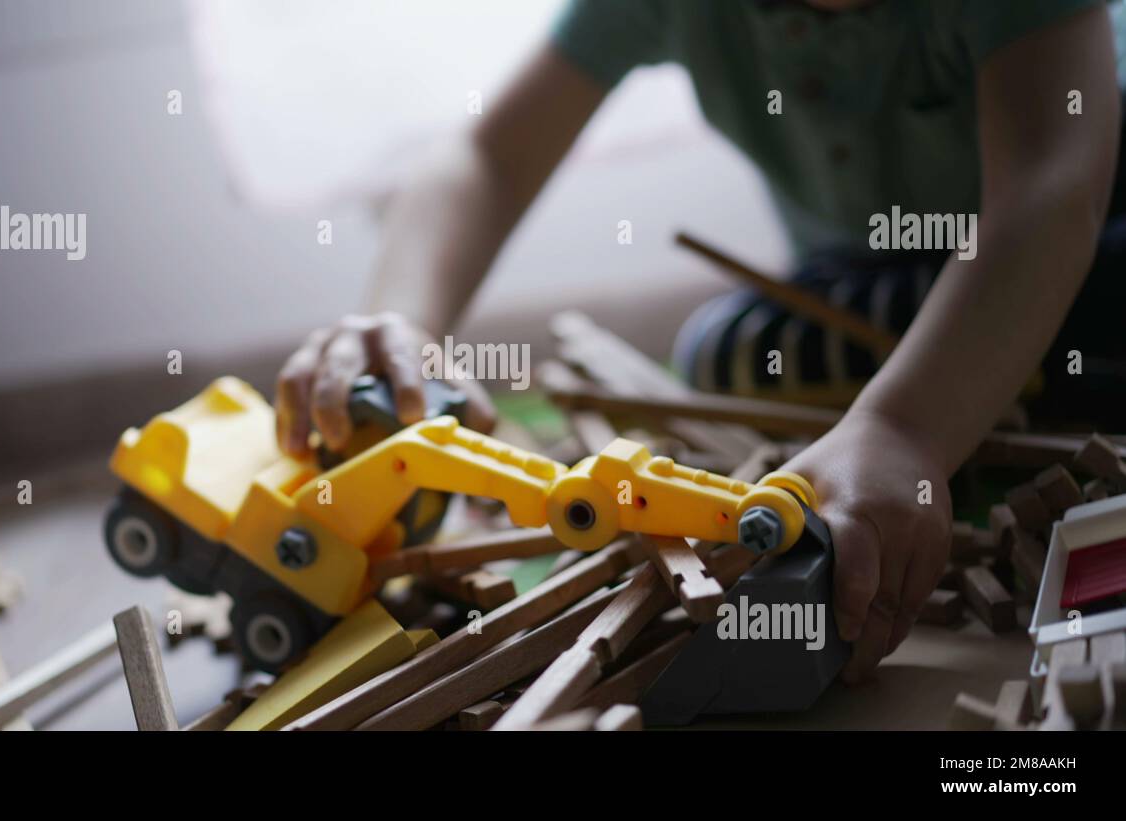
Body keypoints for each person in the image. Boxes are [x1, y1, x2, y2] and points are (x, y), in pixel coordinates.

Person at [274, 0, 1123, 682]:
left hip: (1086, 240)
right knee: (721, 350)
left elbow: (1049, 194)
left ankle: (986, 370)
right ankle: (985, 368)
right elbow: (487, 157)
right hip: (871, 275)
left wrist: (906, 428)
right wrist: (405, 324)